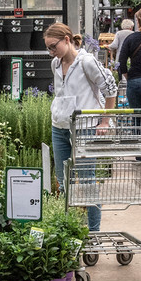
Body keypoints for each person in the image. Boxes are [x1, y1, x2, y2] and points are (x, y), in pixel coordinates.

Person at [46, 22, 116, 232]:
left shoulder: (87, 62)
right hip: (59, 126)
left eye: (53, 46)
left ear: (66, 40)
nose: (51, 52)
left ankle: (93, 230)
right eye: (48, 48)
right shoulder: (56, 64)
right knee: (63, 179)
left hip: (84, 128)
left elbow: (110, 88)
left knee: (86, 181)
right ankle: (69, 228)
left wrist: (104, 120)